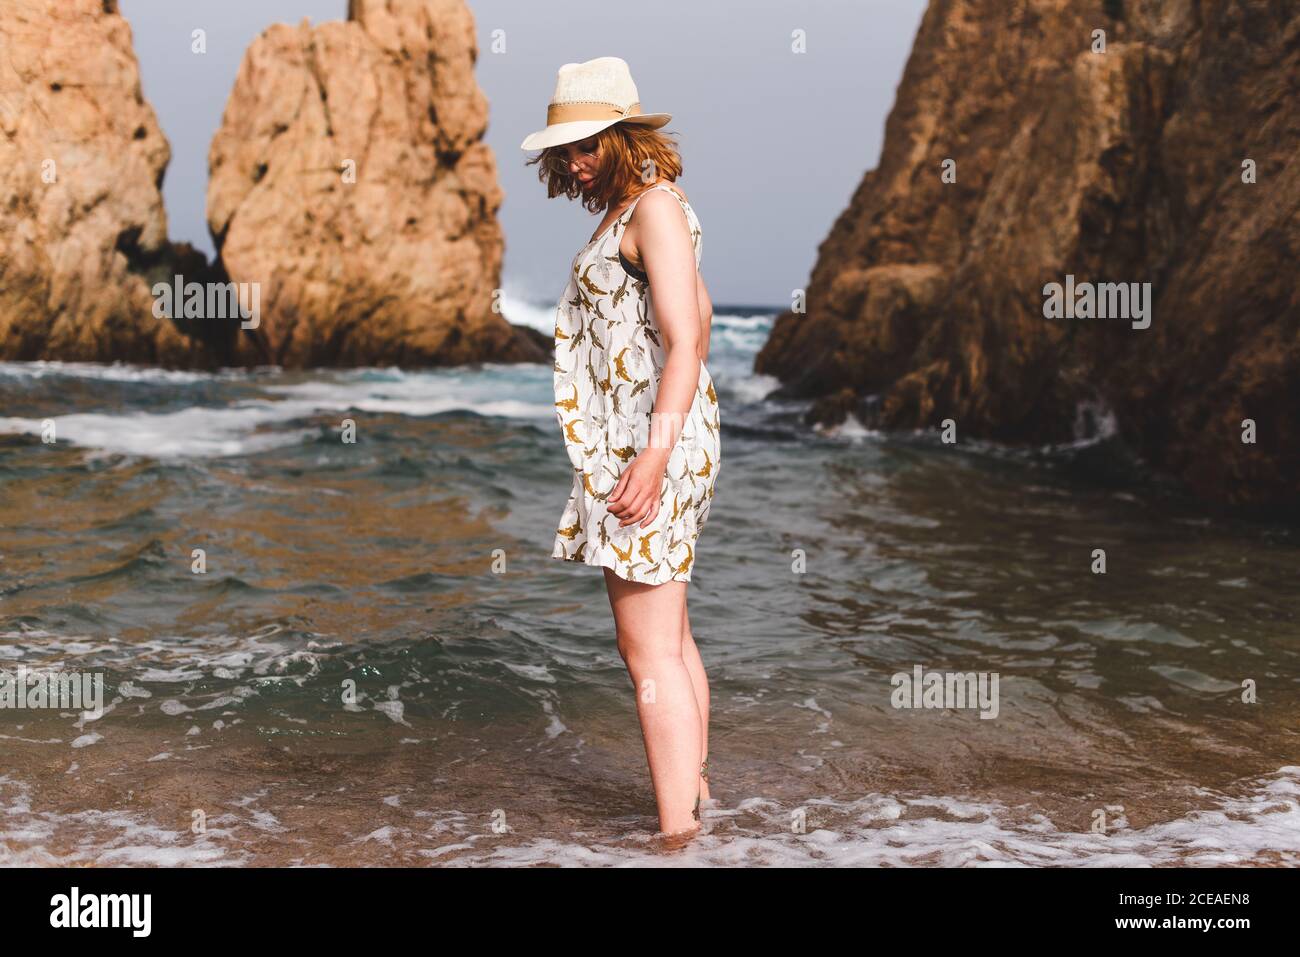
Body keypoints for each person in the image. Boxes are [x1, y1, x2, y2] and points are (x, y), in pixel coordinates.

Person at [522, 56, 721, 838]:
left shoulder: (655, 210)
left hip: (654, 443)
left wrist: (654, 455)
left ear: (625, 135)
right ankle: (698, 798)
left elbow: (686, 342)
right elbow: (699, 315)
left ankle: (676, 837)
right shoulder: (636, 211)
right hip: (647, 440)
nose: (574, 161)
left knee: (647, 653)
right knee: (669, 637)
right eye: (565, 148)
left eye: (589, 144)